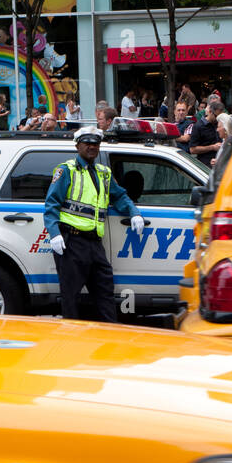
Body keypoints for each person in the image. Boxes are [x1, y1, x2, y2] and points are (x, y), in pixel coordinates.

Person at [43, 125, 144, 322]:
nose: (92, 147)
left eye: (96, 143)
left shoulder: (103, 173)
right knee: (70, 296)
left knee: (104, 291)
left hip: (95, 244)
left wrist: (134, 212)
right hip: (71, 241)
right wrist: (54, 233)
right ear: (77, 146)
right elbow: (51, 205)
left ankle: (109, 335)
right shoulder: (67, 171)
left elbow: (120, 196)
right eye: (87, 143)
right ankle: (71, 341)